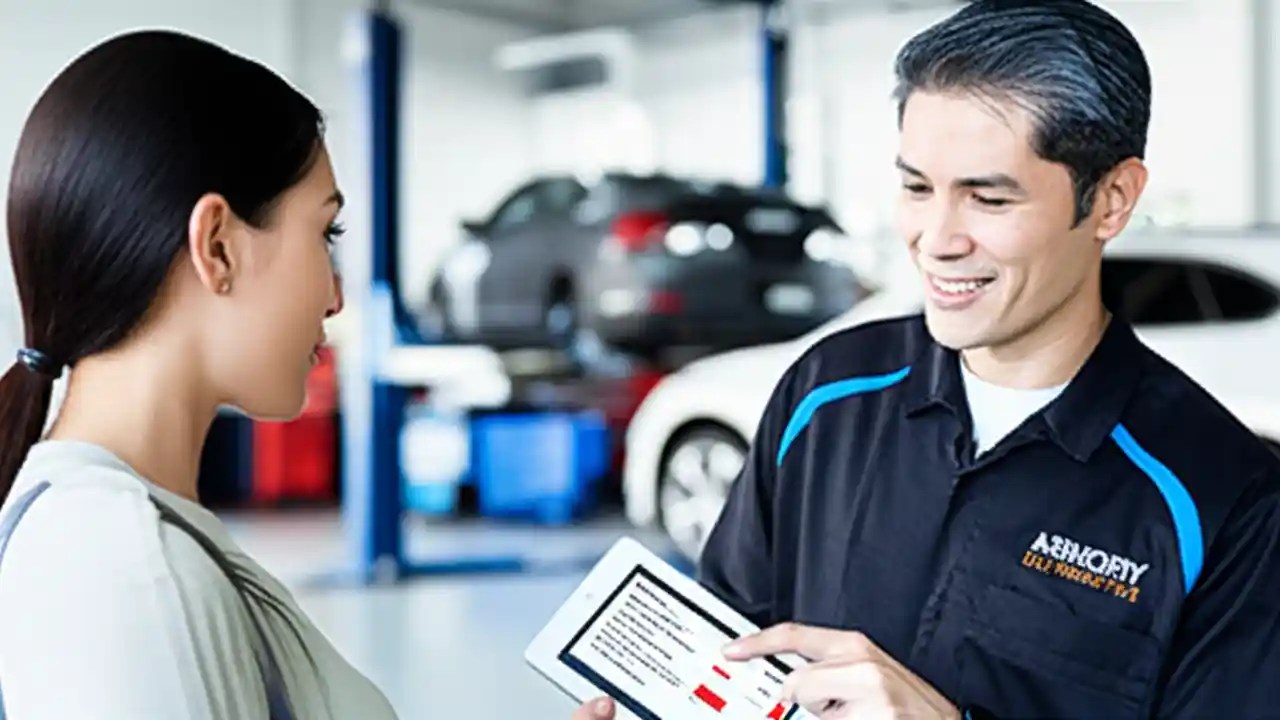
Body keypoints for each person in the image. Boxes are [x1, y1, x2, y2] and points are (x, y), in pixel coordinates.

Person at [580, 0, 1280, 717]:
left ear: (1111, 199)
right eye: (917, 187)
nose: (936, 238)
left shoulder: (1224, 501)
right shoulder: (824, 396)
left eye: (988, 199)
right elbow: (727, 670)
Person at [0, 30, 612, 720]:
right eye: (327, 235)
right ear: (218, 246)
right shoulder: (120, 559)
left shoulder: (129, 534)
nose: (335, 296)